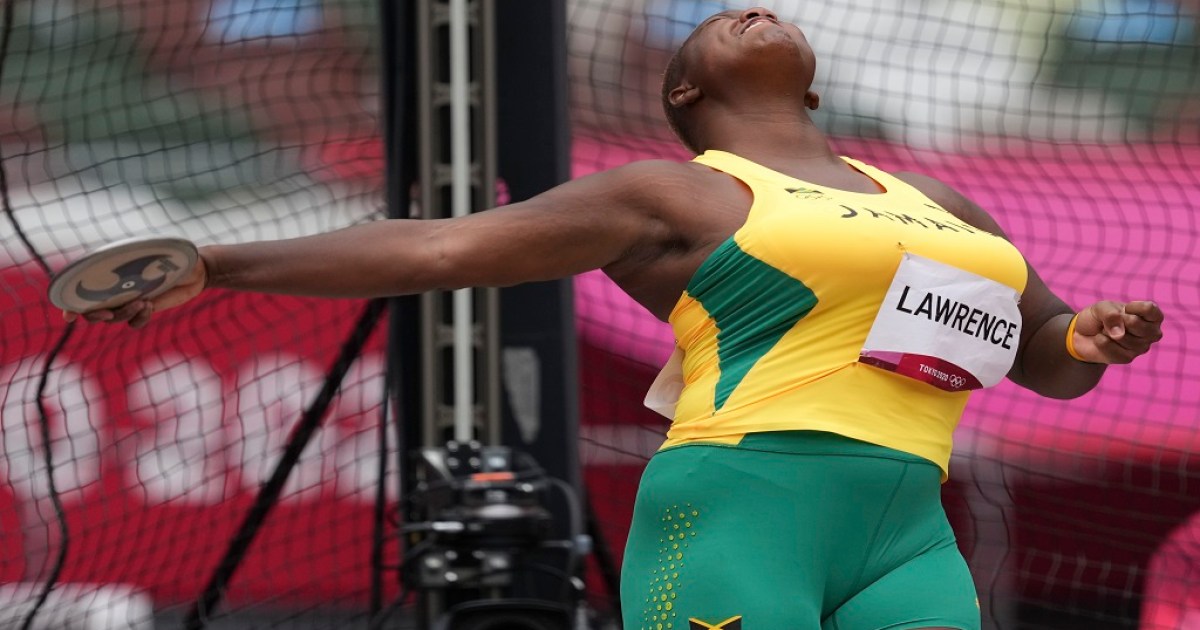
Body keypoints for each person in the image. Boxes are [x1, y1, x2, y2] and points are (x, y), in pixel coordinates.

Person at [67, 7, 1165, 629]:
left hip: (909, 532)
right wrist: (217, 260)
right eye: (714, 27)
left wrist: (1092, 339)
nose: (746, 6)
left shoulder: (940, 203)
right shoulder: (679, 191)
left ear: (818, 89)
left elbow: (1049, 362)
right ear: (685, 95)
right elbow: (441, 246)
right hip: (744, 506)